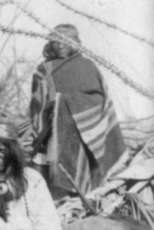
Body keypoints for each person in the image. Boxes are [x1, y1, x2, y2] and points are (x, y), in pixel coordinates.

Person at [30, 23, 126, 196]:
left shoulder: (88, 65)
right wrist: (54, 111)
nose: (61, 45)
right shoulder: (44, 69)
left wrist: (64, 103)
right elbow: (37, 106)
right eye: (56, 41)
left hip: (86, 133)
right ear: (50, 44)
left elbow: (100, 99)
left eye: (68, 41)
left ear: (77, 43)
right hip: (52, 134)